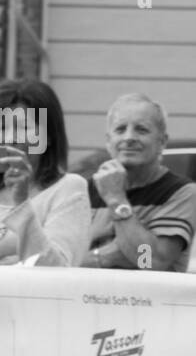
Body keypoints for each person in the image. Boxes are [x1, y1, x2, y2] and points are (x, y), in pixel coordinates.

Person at [0, 79, 89, 267]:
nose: (11, 137)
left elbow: (56, 266)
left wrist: (21, 202)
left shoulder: (68, 188)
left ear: (50, 137)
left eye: (24, 128)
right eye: (2, 128)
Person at [83, 94, 196, 271]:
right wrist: (106, 257)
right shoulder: (85, 191)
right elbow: (60, 261)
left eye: (141, 130)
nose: (129, 137)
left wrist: (116, 199)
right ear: (108, 141)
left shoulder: (180, 191)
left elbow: (152, 261)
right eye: (120, 129)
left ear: (162, 142)